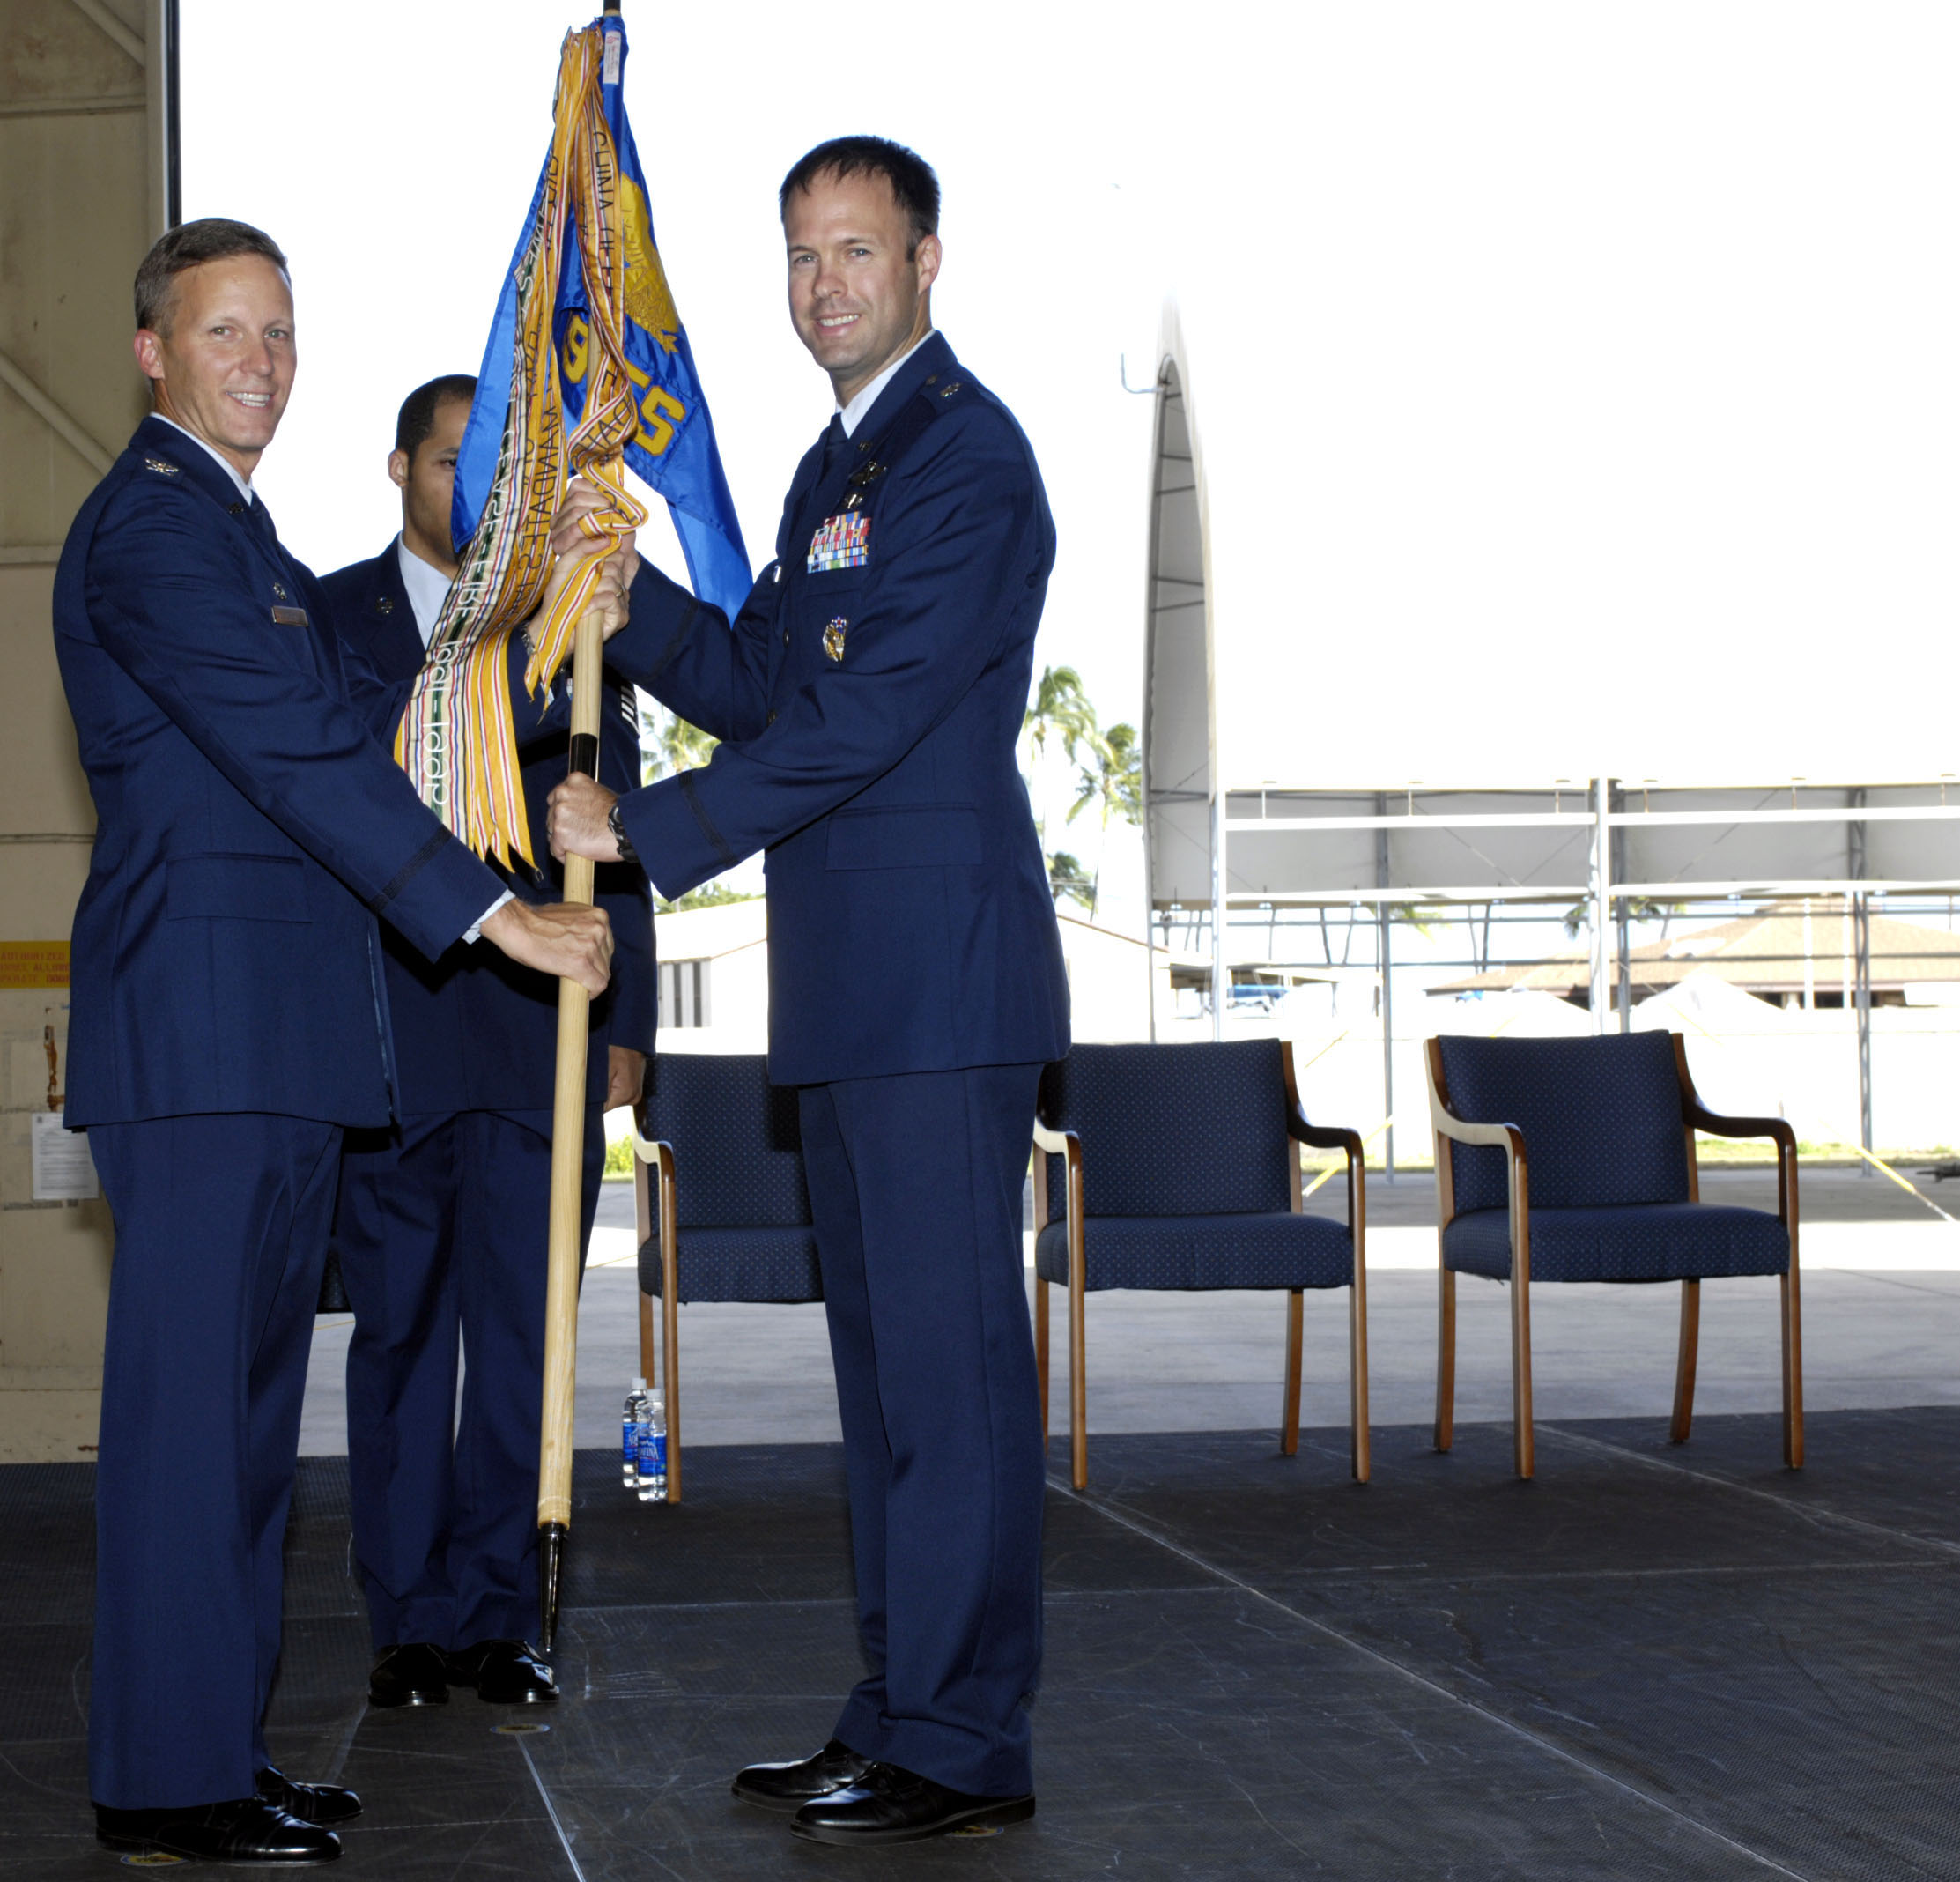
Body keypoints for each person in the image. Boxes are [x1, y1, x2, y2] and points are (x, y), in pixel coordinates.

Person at [54, 218, 615, 1869]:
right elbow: (304, 753)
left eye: (281, 333)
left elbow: (376, 744)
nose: (261, 361)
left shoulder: (248, 541)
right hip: (204, 1048)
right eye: (225, 332)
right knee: (187, 1436)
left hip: (278, 1052)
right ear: (155, 350)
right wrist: (492, 915)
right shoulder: (155, 533)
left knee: (238, 1441)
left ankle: (211, 1752)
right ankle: (163, 1778)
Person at [545, 137, 1066, 1848]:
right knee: (886, 1390)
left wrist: (648, 830)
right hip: (851, 995)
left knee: (953, 1386)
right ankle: (898, 1700)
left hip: (938, 993)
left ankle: (964, 1737)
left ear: (926, 262)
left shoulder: (969, 463)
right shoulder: (835, 468)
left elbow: (873, 716)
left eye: (856, 249)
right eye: (800, 256)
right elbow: (771, 677)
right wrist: (629, 607)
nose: (824, 283)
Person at [319, 374, 657, 1712]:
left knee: (524, 1332)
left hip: (539, 1039)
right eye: (447, 461)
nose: (468, 491)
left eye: (492, 470)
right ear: (399, 466)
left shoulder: (563, 625)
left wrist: (626, 1027)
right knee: (399, 1334)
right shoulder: (326, 619)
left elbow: (607, 822)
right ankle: (407, 1618)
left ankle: (501, 1611)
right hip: (389, 1036)